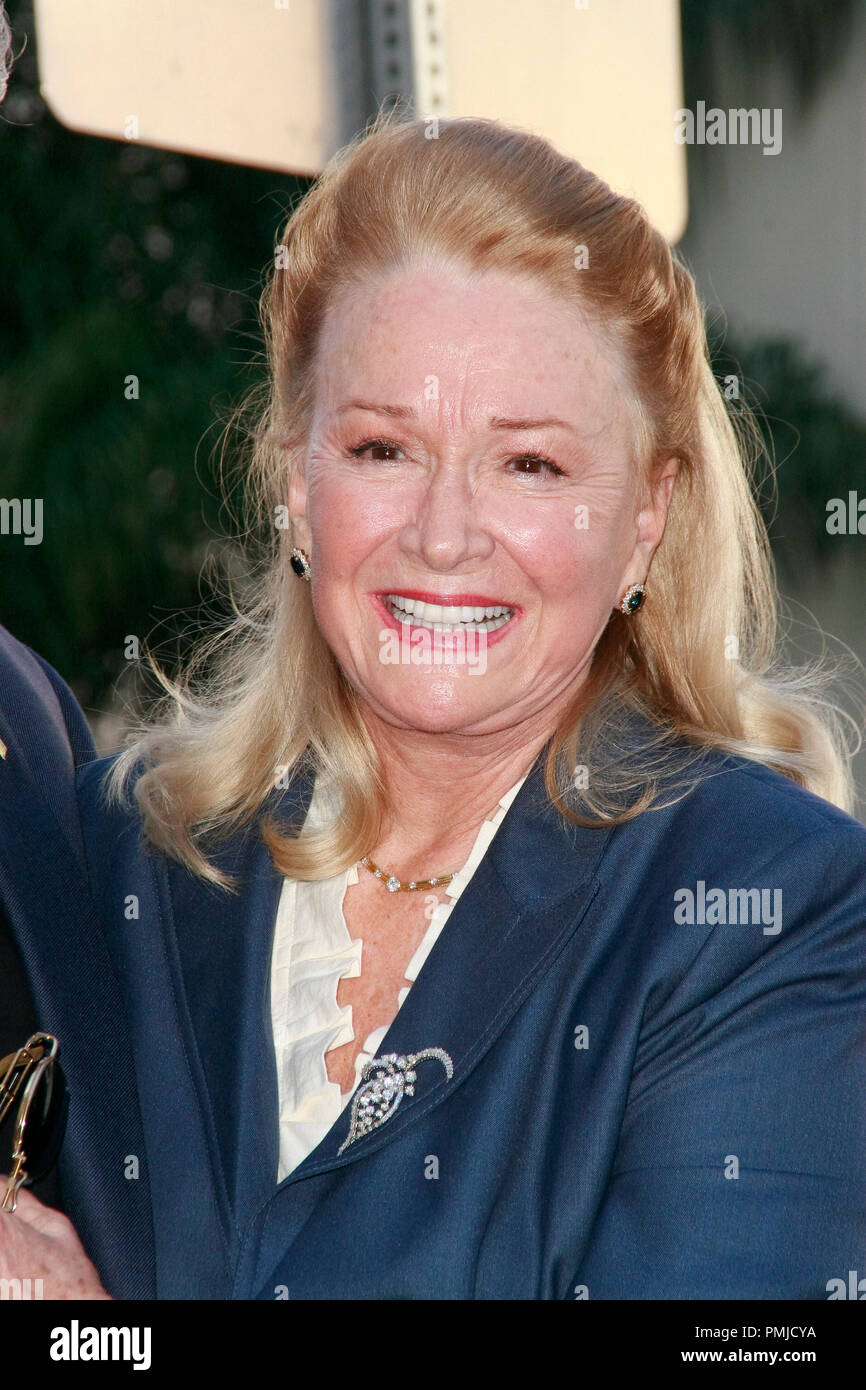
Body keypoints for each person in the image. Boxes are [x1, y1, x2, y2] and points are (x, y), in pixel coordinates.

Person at [5, 111, 866, 1299]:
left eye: (530, 465)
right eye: (381, 449)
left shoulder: (761, 910)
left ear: (647, 515)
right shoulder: (120, 858)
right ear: (293, 480)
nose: (445, 534)